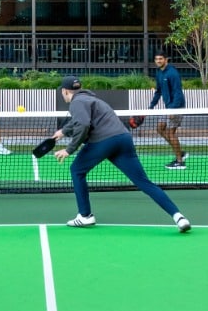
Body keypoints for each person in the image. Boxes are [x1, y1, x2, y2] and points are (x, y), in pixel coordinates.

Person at [53, 75, 191, 233]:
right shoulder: (92, 99)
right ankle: (179, 217)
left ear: (64, 91)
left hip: (104, 141)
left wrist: (69, 149)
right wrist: (63, 131)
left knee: (77, 170)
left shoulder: (76, 102)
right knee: (144, 182)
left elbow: (83, 123)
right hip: (123, 139)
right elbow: (82, 120)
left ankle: (85, 216)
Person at [150, 51, 187, 169]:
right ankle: (179, 152)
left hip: (176, 106)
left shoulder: (172, 73)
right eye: (156, 59)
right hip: (168, 107)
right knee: (160, 128)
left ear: (166, 60)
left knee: (171, 133)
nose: (158, 61)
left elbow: (177, 92)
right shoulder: (159, 73)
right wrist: (151, 106)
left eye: (160, 59)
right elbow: (158, 91)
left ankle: (180, 162)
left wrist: (172, 109)